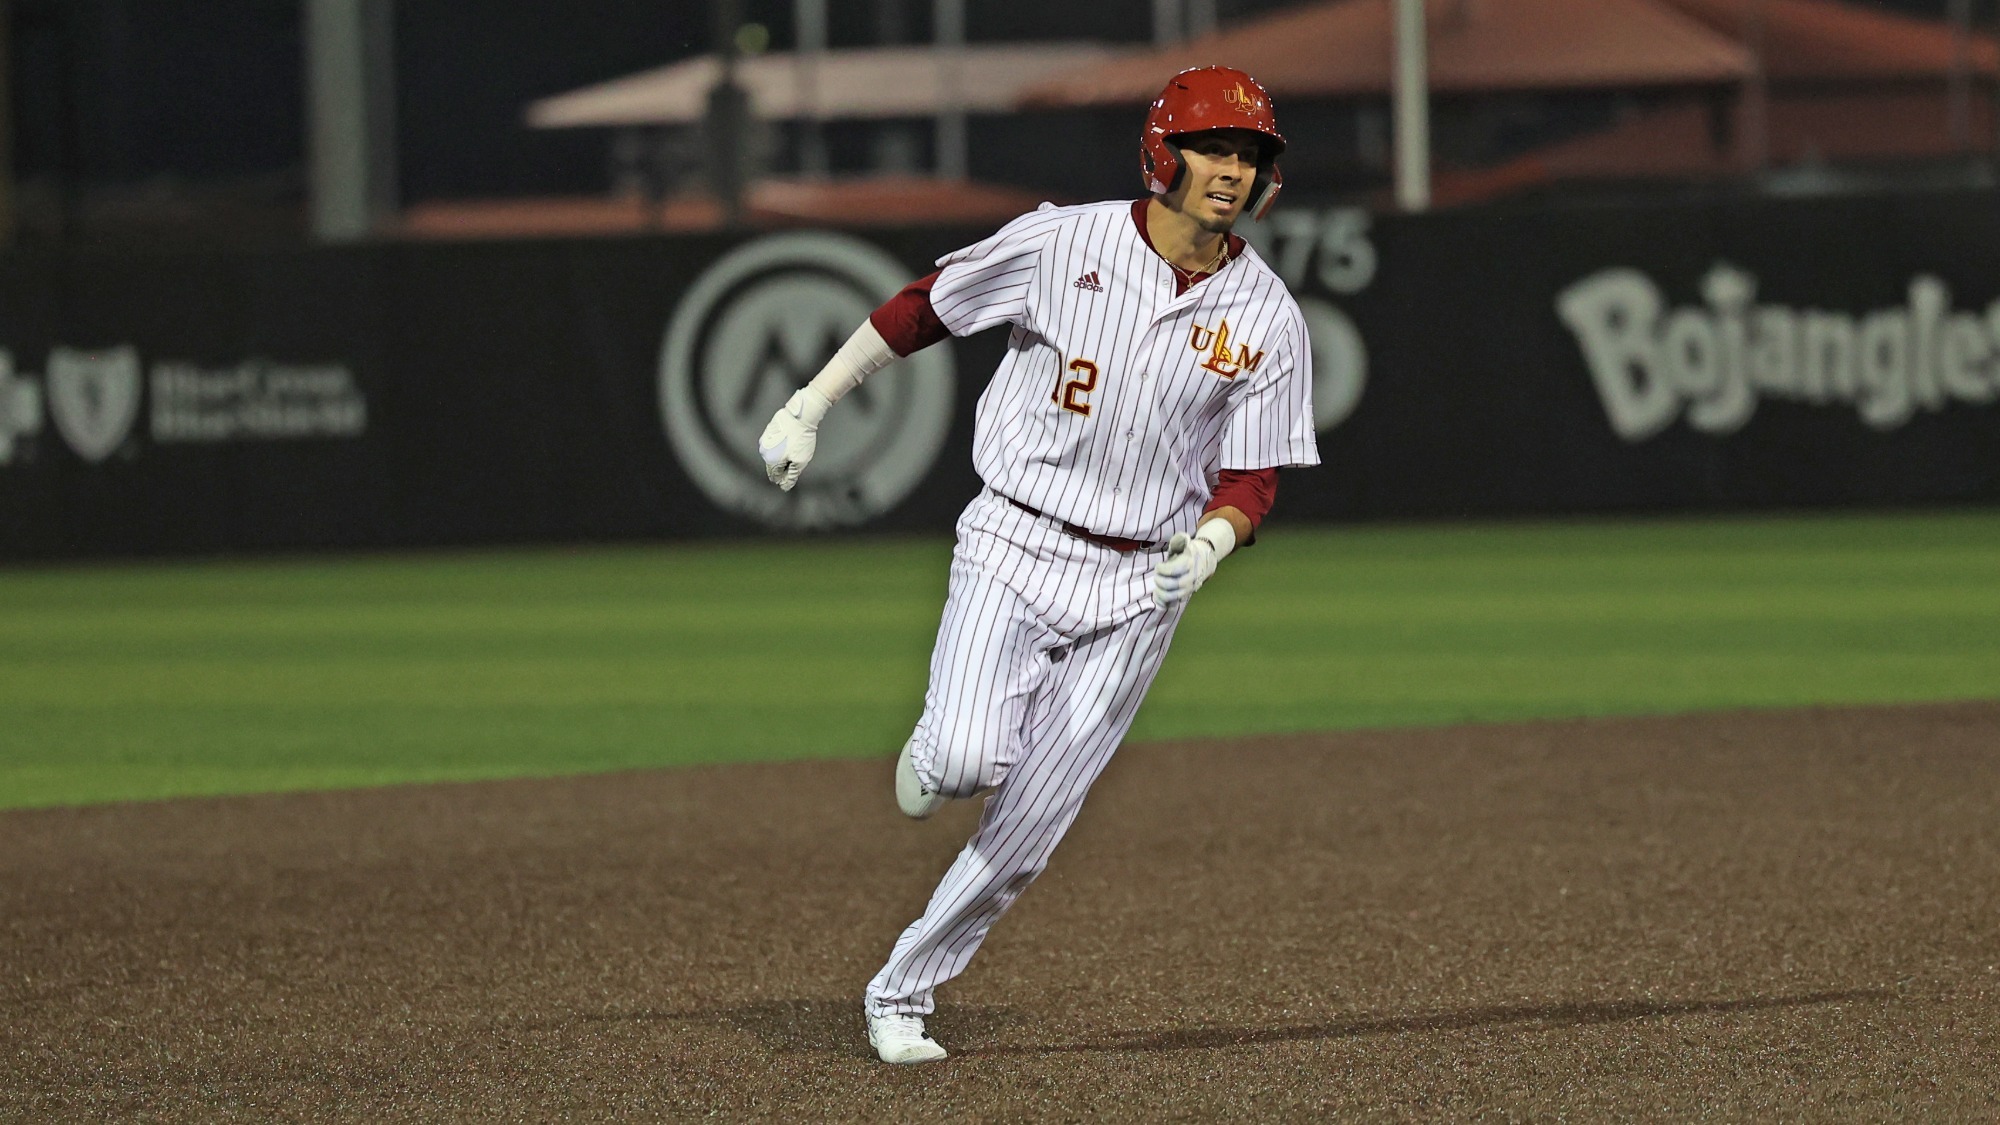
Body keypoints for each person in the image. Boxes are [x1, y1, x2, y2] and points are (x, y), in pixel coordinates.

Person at [757, 65, 1320, 1064]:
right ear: (1163, 152)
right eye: (1213, 147)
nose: (1231, 171)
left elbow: (1253, 477)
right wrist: (810, 402)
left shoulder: (1268, 316)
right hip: (1016, 538)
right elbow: (926, 306)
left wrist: (1207, 546)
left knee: (1031, 824)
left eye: (1249, 155)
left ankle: (902, 993)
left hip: (1141, 580)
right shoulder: (1063, 240)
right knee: (968, 760)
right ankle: (937, 754)